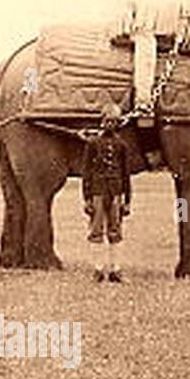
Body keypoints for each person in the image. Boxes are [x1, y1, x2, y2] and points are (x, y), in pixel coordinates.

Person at [83, 101, 132, 283]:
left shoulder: (122, 146)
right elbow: (86, 173)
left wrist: (127, 201)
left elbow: (126, 175)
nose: (110, 124)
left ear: (118, 123)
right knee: (96, 231)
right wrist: (86, 198)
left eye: (114, 121)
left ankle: (115, 270)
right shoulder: (93, 144)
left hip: (116, 192)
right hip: (97, 191)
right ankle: (98, 269)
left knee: (115, 231)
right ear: (101, 121)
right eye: (107, 120)